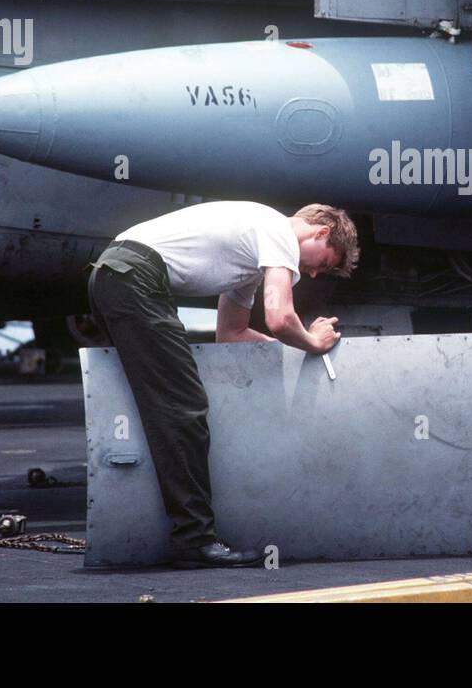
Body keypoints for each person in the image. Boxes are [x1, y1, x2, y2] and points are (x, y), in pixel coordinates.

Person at [86, 201, 358, 567]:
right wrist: (312, 342)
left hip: (115, 274)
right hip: (134, 277)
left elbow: (231, 334)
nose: (312, 273)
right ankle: (194, 542)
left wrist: (294, 352)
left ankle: (147, 533)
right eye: (323, 262)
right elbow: (279, 318)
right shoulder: (278, 231)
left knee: (155, 406)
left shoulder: (248, 261)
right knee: (182, 408)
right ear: (321, 232)